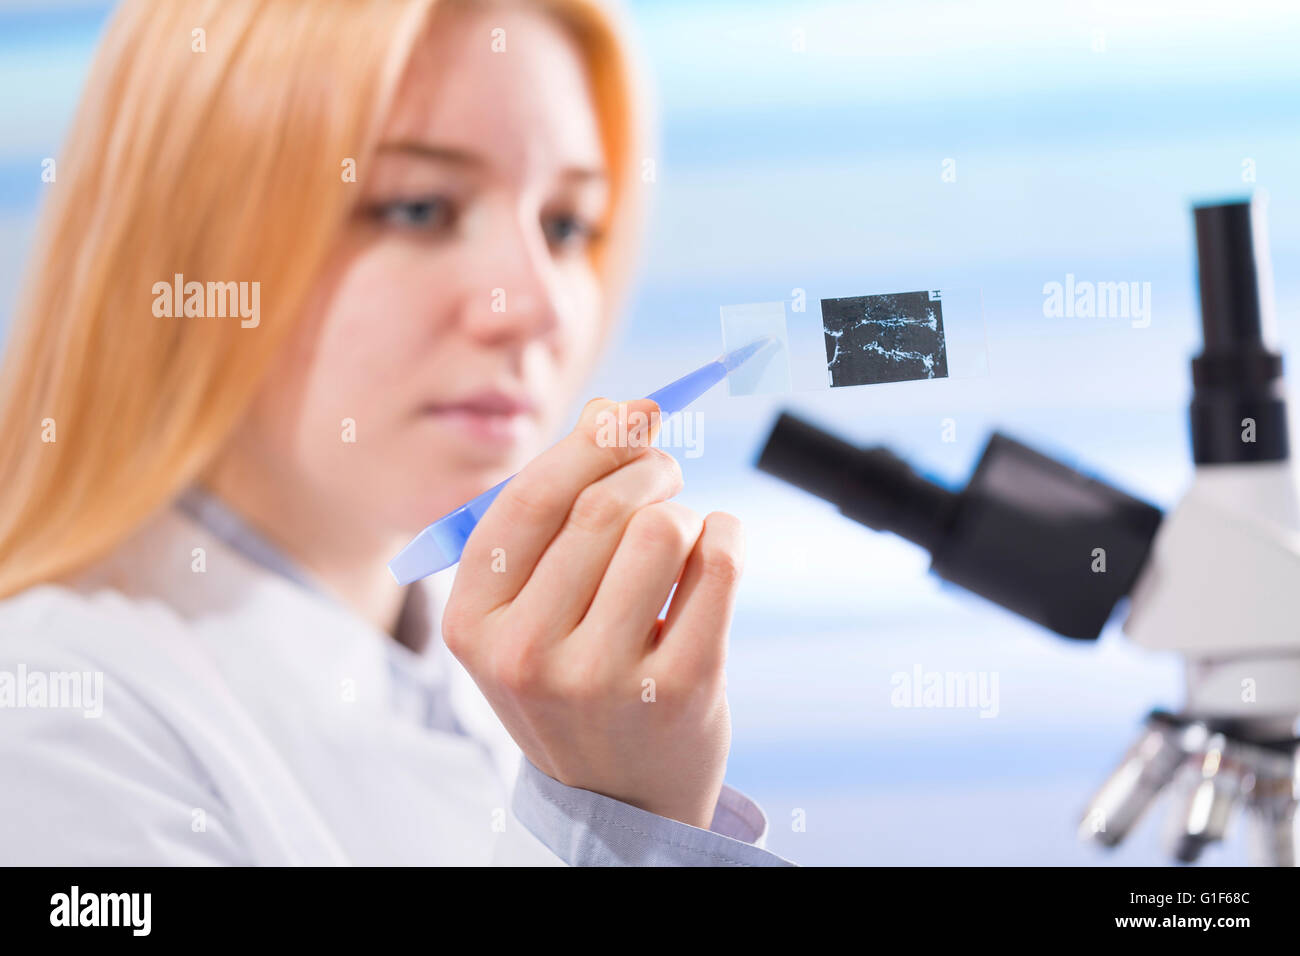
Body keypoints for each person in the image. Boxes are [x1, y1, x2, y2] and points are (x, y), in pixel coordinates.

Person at [0, 0, 793, 866]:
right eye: (418, 208)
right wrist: (619, 830)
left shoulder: (512, 685)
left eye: (566, 225)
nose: (535, 308)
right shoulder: (55, 720)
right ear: (185, 249)